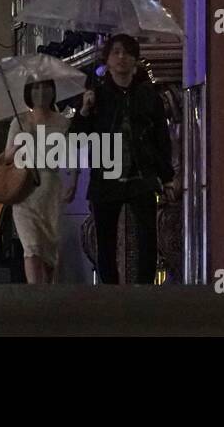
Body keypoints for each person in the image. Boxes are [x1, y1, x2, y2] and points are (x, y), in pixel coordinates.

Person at [71, 34, 176, 285]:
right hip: (107, 176)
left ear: (135, 60)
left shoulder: (148, 95)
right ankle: (110, 290)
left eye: (127, 53)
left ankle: (143, 289)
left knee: (147, 238)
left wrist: (167, 176)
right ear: (107, 59)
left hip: (141, 175)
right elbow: (76, 137)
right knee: (105, 239)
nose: (122, 58)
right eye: (116, 52)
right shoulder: (96, 94)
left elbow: (161, 136)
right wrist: (85, 111)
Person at [0, 79, 74, 284]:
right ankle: (35, 296)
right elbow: (6, 157)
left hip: (50, 191)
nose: (40, 92)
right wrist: (16, 147)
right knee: (31, 249)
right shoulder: (19, 122)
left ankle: (47, 295)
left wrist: (73, 181)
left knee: (49, 252)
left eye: (45, 87)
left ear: (53, 91)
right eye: (35, 87)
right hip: (24, 191)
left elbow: (71, 155)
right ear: (28, 92)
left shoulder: (63, 122)